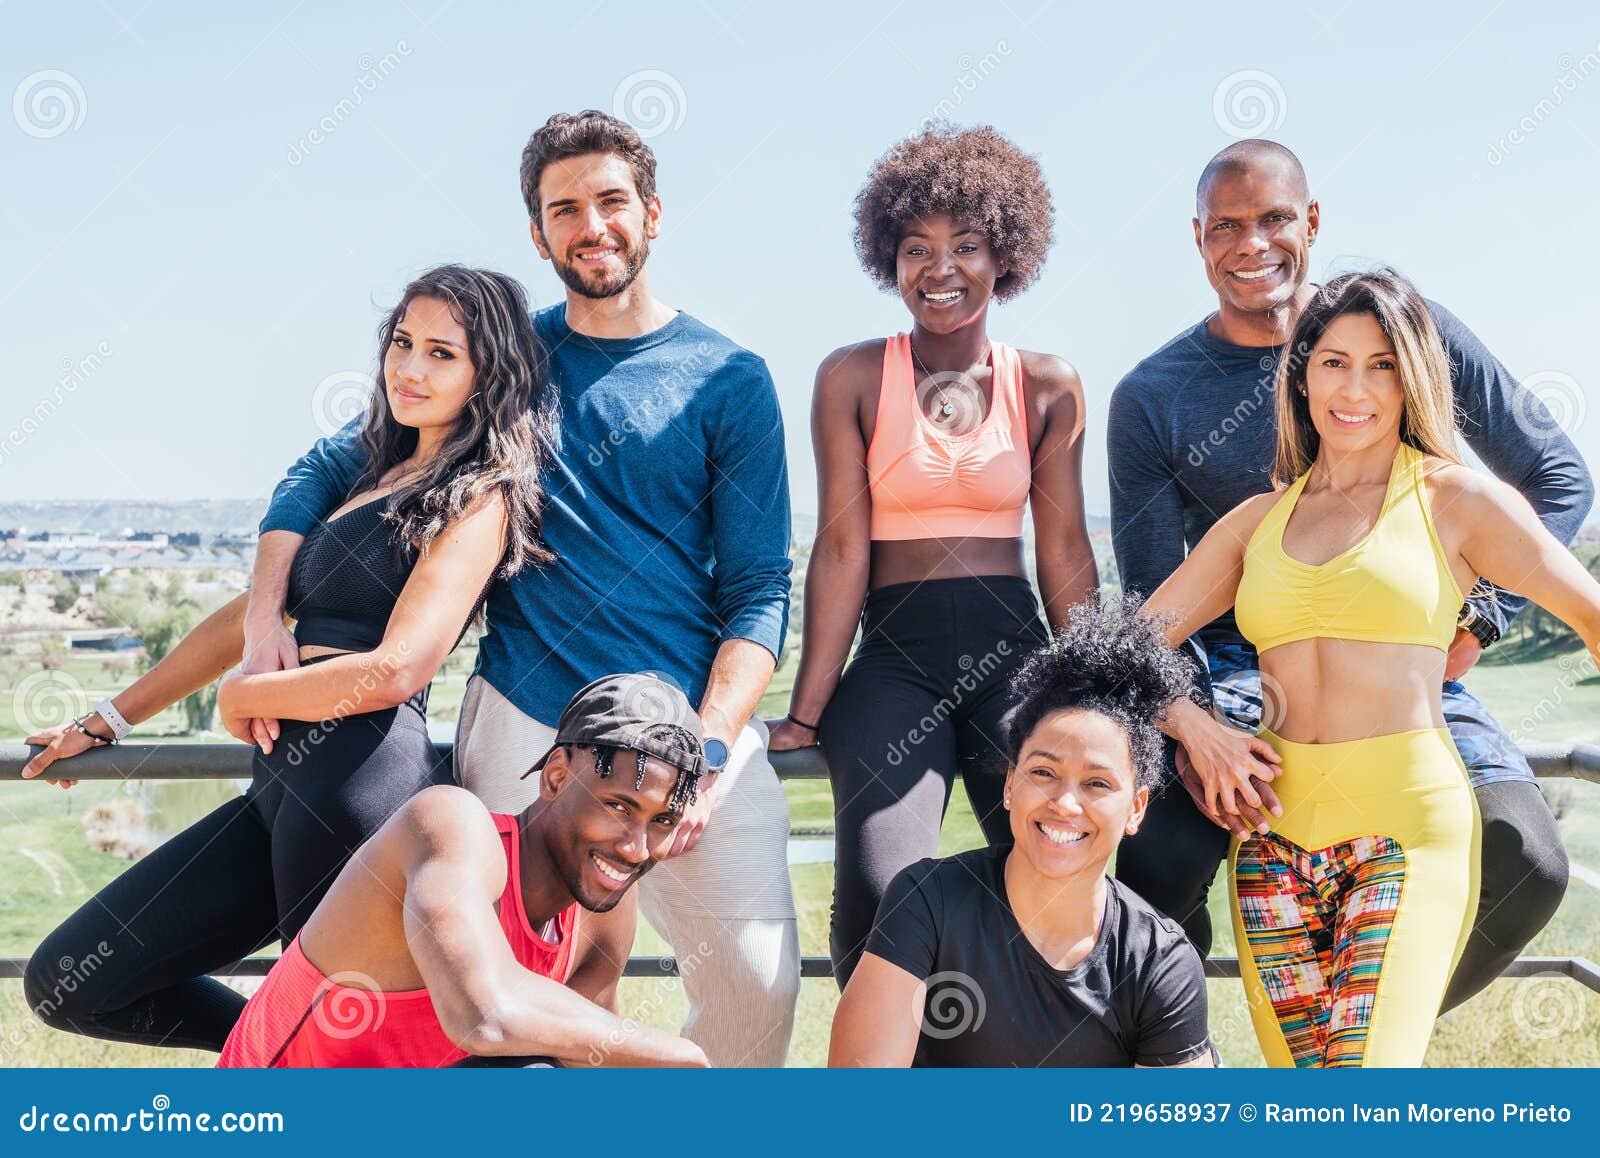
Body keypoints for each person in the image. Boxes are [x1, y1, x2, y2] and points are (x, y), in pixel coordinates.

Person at [242, 111, 799, 1066]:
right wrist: (262, 618)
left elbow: (758, 589)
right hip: (522, 711)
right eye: (564, 209)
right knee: (519, 993)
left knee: (759, 981)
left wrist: (709, 744)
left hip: (692, 724)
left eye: (612, 201)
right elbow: (326, 467)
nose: (593, 225)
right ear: (538, 236)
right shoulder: (509, 363)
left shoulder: (730, 379)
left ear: (653, 213)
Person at [22, 266, 556, 1052]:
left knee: (340, 1049)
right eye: (402, 343)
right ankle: (272, 1050)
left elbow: (398, 668)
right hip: (278, 792)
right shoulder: (369, 473)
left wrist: (244, 702)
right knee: (70, 980)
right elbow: (242, 621)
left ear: (489, 375)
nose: (410, 369)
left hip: (358, 788)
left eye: (443, 354)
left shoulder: (481, 494)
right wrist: (105, 718)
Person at [1107, 140, 1589, 1009]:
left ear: (1313, 221)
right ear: (1198, 240)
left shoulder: (1413, 334)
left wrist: (1479, 621)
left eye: (1274, 219)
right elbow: (1147, 615)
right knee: (1157, 863)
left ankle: (1367, 1020)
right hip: (1239, 680)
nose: (1252, 244)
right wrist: (1194, 727)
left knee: (1526, 858)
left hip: (1409, 662)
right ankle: (1182, 1049)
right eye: (1228, 227)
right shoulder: (1152, 396)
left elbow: (1558, 478)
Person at [768, 124, 1098, 986]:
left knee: (1052, 871)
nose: (939, 268)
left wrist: (1101, 694)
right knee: (879, 889)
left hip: (1017, 661)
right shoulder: (850, 377)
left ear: (1005, 256)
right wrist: (806, 712)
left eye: (966, 246)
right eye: (917, 249)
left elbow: (1064, 553)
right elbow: (840, 548)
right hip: (894, 663)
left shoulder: (1050, 384)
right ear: (889, 259)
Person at [219, 673, 709, 1068]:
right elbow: (482, 1018)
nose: (635, 847)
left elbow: (591, 1062)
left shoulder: (602, 909)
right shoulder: (449, 825)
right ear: (556, 777)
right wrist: (680, 1054)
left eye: (662, 820)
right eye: (619, 807)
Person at [828, 595, 1214, 1067]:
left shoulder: (1160, 962)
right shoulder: (926, 900)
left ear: (1136, 808)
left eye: (1097, 783)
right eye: (1043, 773)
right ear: (1010, 782)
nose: (1065, 804)